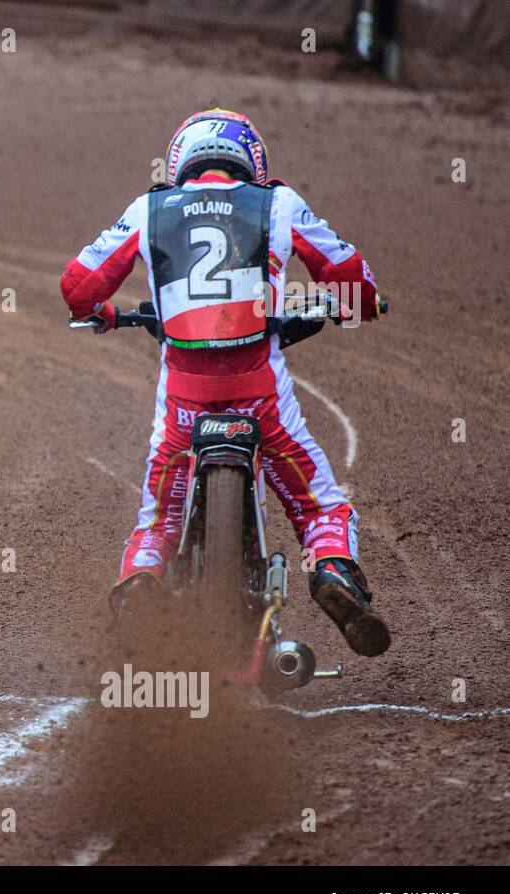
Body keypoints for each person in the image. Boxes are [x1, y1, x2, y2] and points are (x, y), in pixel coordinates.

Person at [60, 109, 390, 656]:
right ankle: (332, 571)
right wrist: (361, 304)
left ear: (178, 162)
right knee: (320, 508)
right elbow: (350, 276)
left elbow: (77, 286)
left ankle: (141, 584)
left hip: (184, 402)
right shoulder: (278, 203)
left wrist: (98, 312)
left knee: (159, 520)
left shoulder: (148, 209)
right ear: (253, 162)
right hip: (261, 396)